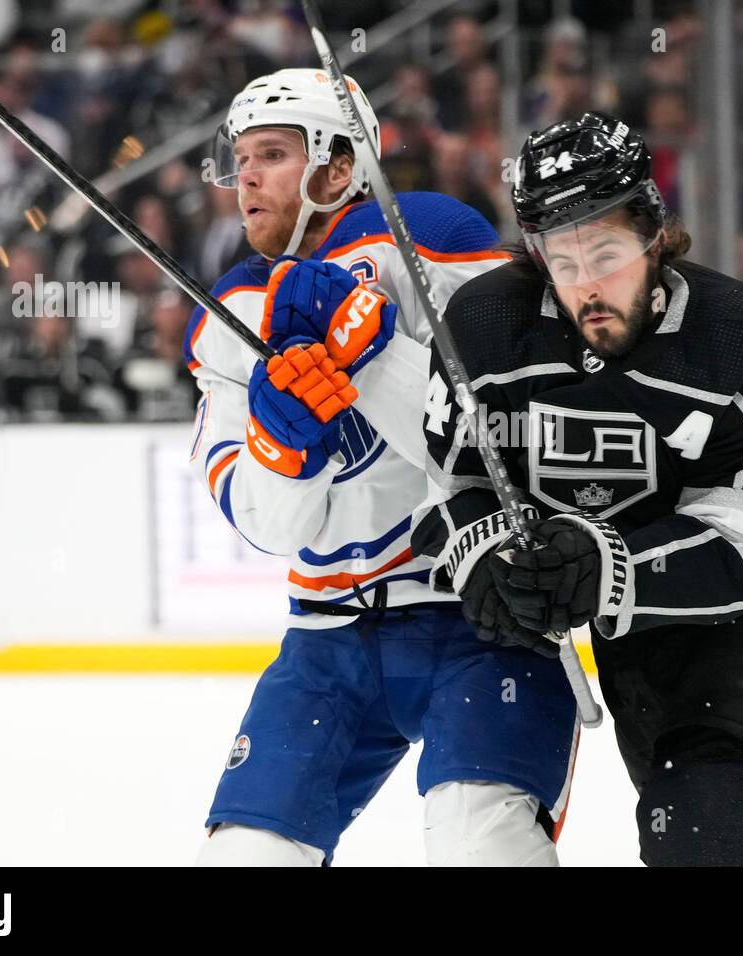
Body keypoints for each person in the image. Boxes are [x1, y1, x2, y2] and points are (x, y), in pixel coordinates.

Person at [414, 113, 743, 866]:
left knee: (702, 827)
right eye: (562, 262)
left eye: (605, 252)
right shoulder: (482, 330)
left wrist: (601, 564)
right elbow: (452, 484)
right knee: (713, 828)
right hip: (639, 629)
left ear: (654, 233)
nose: (587, 286)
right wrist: (483, 556)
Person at [187, 69, 579, 867]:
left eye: (272, 153)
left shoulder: (425, 237)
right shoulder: (228, 318)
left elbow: (517, 436)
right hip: (327, 642)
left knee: (483, 851)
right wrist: (285, 448)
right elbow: (278, 527)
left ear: (339, 167)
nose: (247, 178)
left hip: (483, 618)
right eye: (241, 159)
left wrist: (379, 354)